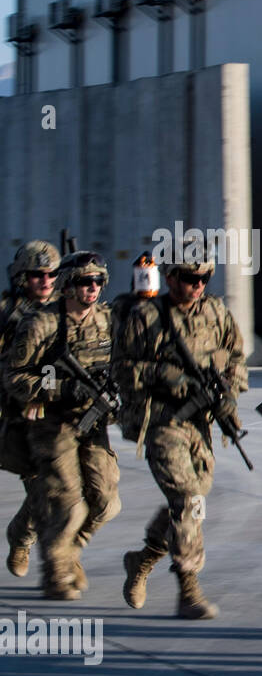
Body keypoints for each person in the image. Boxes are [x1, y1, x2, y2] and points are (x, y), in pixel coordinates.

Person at [115, 251, 248, 618]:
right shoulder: (146, 317)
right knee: (189, 499)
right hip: (161, 422)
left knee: (194, 504)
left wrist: (228, 398)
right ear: (171, 278)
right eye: (191, 278)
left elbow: (236, 358)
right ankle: (188, 588)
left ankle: (143, 559)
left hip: (200, 424)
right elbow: (120, 369)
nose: (199, 286)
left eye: (205, 278)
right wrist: (162, 375)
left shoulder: (215, 312)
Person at [3, 251, 120, 599]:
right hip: (50, 424)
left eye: (99, 281)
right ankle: (56, 574)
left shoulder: (106, 320)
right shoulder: (41, 324)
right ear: (70, 286)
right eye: (85, 281)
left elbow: (126, 361)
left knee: (107, 502)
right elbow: (13, 377)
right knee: (67, 504)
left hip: (93, 421)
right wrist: (62, 387)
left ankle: (69, 552)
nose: (93, 288)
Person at [1, 241, 61, 578]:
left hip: (62, 412)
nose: (46, 280)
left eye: (52, 274)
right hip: (20, 414)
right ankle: (33, 543)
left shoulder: (64, 309)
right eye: (38, 274)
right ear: (23, 277)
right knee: (46, 489)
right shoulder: (7, 313)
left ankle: (25, 534)